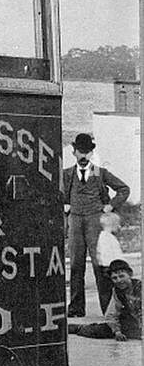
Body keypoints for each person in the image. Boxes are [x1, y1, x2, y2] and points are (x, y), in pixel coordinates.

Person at [61, 132, 132, 316]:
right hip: (75, 220)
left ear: (91, 153)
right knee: (76, 266)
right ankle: (76, 309)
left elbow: (124, 189)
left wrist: (110, 206)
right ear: (73, 152)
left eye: (87, 152)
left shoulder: (100, 172)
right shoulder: (66, 174)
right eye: (80, 152)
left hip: (96, 221)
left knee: (100, 265)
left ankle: (107, 309)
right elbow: (54, 193)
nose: (83, 156)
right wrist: (65, 205)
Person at [68, 259, 141, 341]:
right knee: (100, 330)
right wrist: (117, 332)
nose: (119, 281)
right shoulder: (117, 291)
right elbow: (111, 314)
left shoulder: (140, 287)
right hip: (129, 323)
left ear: (130, 274)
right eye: (115, 278)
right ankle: (77, 328)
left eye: (121, 276)